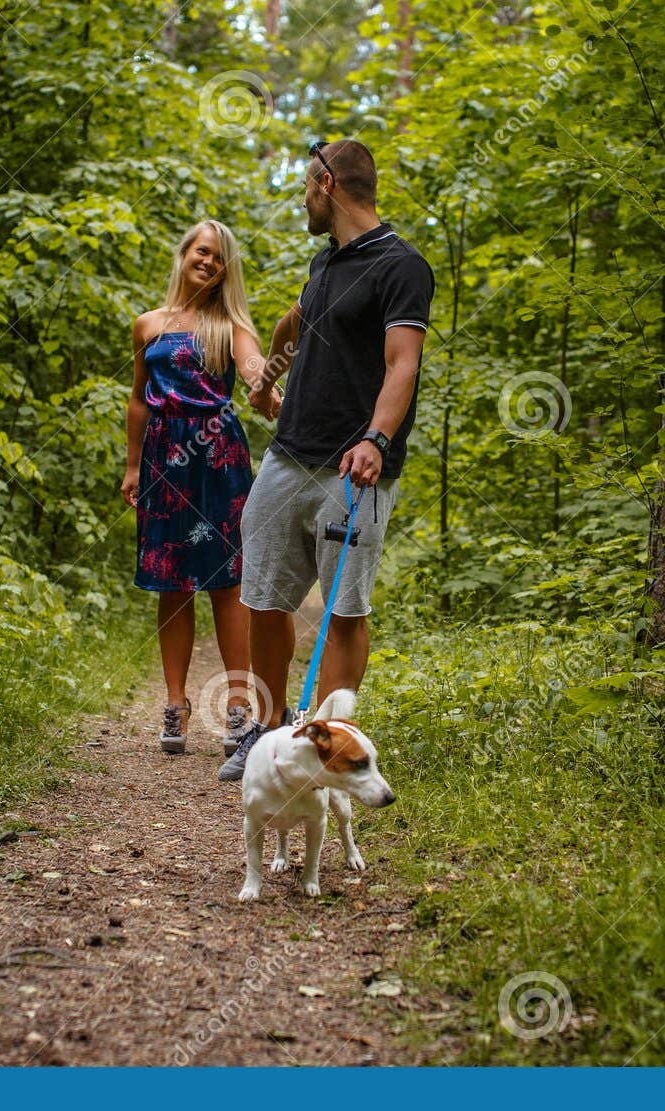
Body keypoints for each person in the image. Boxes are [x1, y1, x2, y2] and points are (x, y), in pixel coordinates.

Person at [217, 140, 434, 782]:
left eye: (306, 188)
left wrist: (376, 440)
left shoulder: (402, 266)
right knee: (262, 598)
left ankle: (335, 746)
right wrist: (265, 380)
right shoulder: (325, 263)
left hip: (354, 466)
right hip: (288, 456)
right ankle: (268, 726)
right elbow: (296, 321)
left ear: (327, 184)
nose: (303, 200)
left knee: (344, 611)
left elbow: (404, 365)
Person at [123, 220, 264, 756]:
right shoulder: (148, 325)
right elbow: (139, 398)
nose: (208, 262)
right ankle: (176, 704)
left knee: (228, 583)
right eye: (201, 252)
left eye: (219, 258)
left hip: (218, 457)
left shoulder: (229, 326)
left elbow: (254, 371)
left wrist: (265, 386)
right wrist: (134, 466)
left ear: (226, 270)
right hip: (163, 459)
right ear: (185, 255)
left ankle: (237, 707)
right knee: (172, 584)